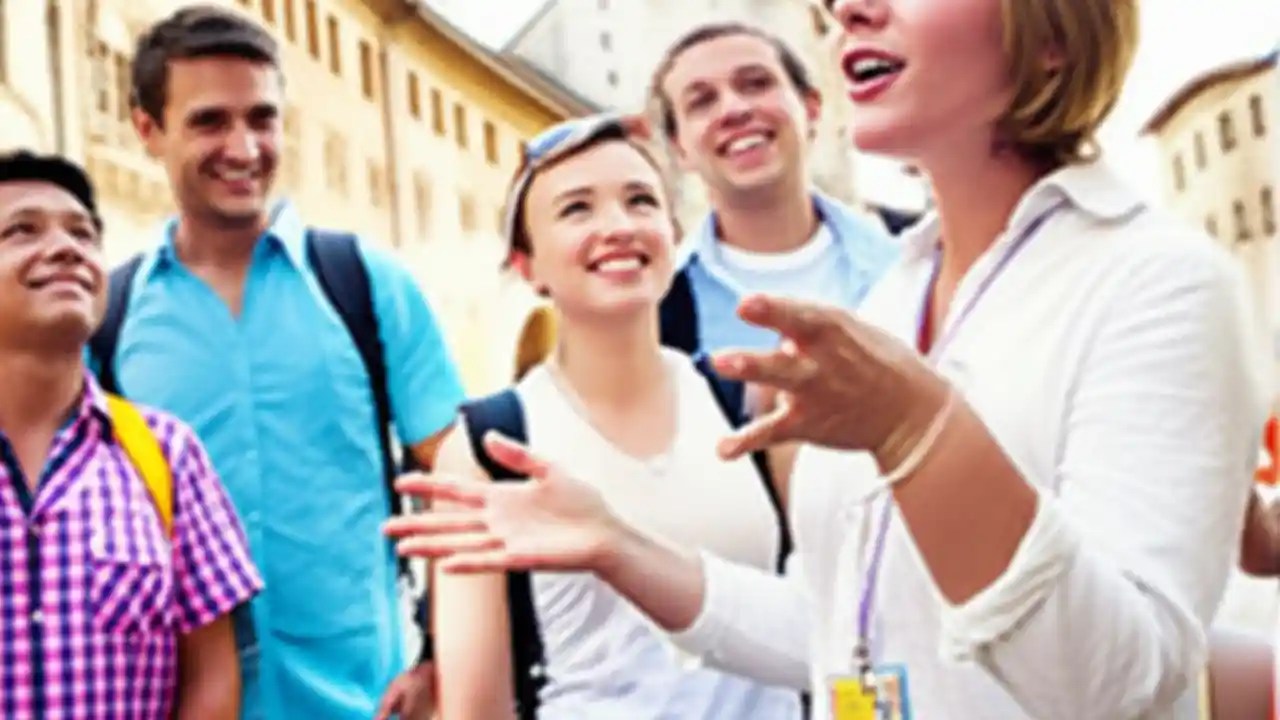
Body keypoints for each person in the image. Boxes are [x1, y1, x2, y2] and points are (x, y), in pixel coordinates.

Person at [388, 0, 1269, 718]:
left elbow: (1117, 687)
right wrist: (617, 546)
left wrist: (920, 431)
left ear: (1049, 33)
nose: (848, 9)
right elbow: (832, 626)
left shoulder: (1159, 280)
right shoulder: (892, 302)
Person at [86, 6, 465, 719]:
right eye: (209, 122)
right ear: (148, 130)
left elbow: (457, 485)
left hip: (368, 704)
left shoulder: (366, 285)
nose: (244, 146)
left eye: (262, 118)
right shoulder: (107, 319)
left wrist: (439, 658)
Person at [386, 113, 803, 719]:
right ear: (527, 267)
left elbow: (839, 626)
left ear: (672, 232)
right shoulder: (488, 446)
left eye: (640, 201)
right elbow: (476, 708)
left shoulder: (752, 402)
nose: (618, 227)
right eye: (577, 209)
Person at [0, 150, 261, 718]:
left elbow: (213, 672)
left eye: (83, 234)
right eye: (21, 230)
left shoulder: (165, 455)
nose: (66, 248)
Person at [649, 22, 898, 356]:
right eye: (702, 101)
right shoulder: (658, 309)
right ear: (680, 149)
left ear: (811, 108)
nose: (734, 110)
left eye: (756, 84)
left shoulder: (913, 262)